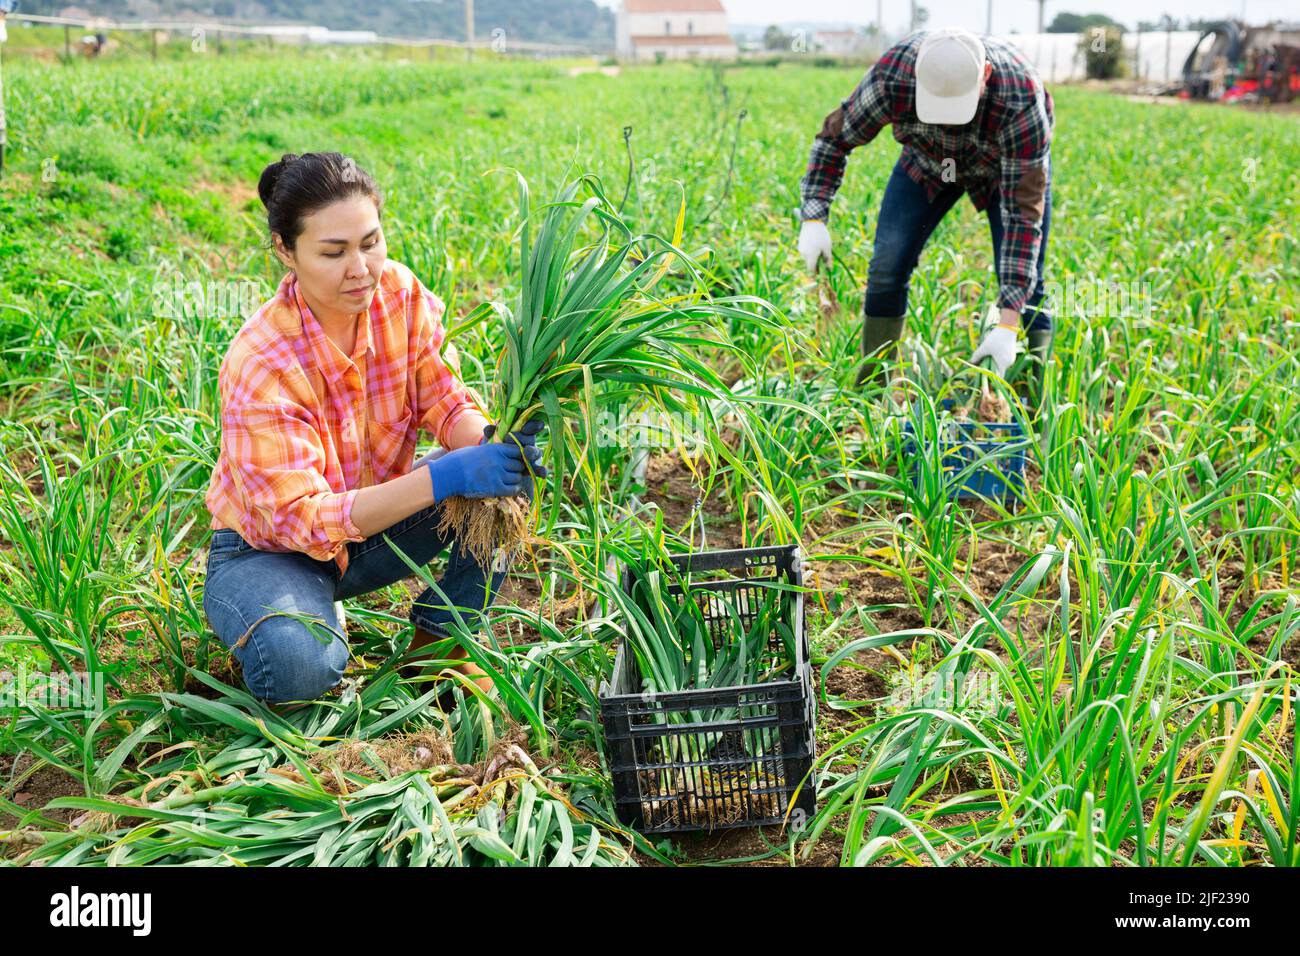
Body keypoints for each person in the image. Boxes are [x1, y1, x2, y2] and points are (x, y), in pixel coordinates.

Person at [202, 151, 544, 707]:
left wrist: (484, 444)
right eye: (333, 252)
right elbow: (304, 518)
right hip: (269, 551)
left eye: (370, 242)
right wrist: (444, 478)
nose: (360, 267)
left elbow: (444, 398)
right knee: (299, 666)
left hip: (366, 531)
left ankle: (438, 644)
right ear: (286, 252)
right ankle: (286, 613)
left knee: (505, 483)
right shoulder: (262, 361)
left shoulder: (399, 297)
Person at [796, 27, 1055, 410]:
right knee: (887, 266)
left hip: (1005, 173)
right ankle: (871, 394)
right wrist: (814, 217)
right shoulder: (892, 77)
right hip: (929, 166)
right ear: (916, 76)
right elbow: (836, 138)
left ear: (984, 75)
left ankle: (1030, 401)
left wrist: (1006, 325)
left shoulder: (1019, 96)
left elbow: (1022, 215)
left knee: (1026, 285)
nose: (950, 121)